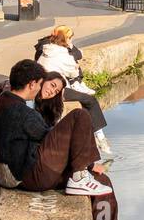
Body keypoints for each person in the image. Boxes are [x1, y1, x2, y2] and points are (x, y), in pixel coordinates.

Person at [0, 61, 117, 220]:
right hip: (31, 176)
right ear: (32, 84)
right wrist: (86, 164)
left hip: (15, 175)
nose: (41, 88)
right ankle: (80, 178)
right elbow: (50, 140)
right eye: (42, 84)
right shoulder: (22, 112)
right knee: (80, 116)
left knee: (103, 182)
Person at [35, 26, 112, 156]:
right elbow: (73, 71)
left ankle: (97, 138)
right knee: (90, 100)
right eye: (70, 38)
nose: (71, 40)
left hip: (43, 84)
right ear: (66, 38)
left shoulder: (45, 48)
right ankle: (100, 137)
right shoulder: (62, 53)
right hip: (56, 86)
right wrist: (71, 50)